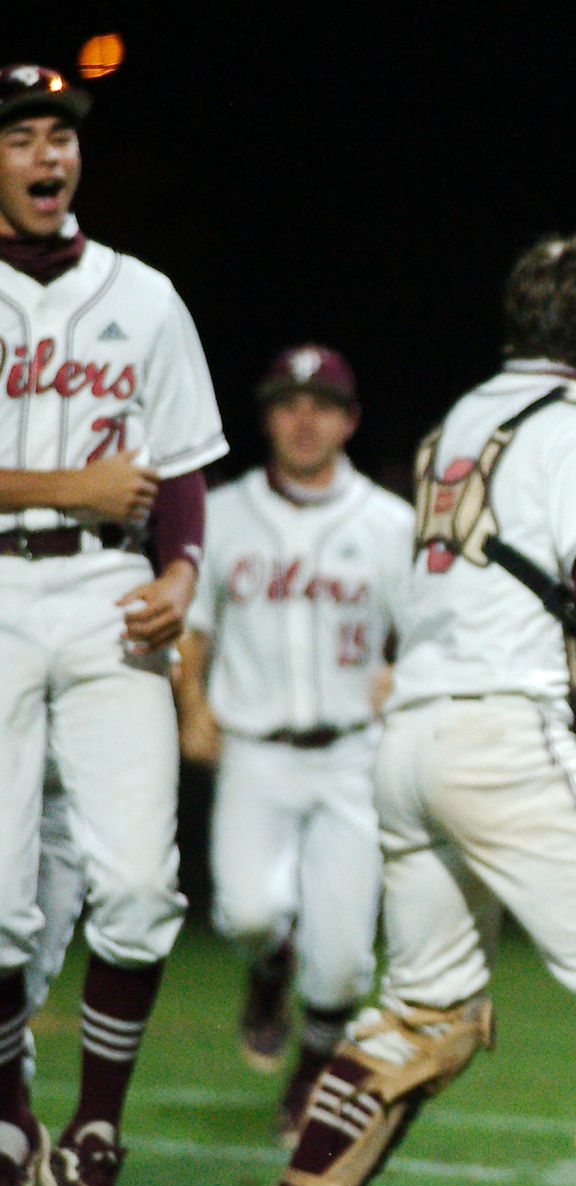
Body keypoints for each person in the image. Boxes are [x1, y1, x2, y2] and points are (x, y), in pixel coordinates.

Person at [223, 232, 576, 1186]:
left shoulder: (462, 416)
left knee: (425, 1011)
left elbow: (512, 579)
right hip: (500, 729)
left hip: (407, 738)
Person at [0, 63, 228, 1186]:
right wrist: (58, 487)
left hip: (108, 596)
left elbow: (183, 467)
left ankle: (90, 1134)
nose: (50, 152)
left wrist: (184, 578)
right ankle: (5, 1133)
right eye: (23, 134)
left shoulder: (139, 294)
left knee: (138, 891)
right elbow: (101, 476)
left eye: (59, 134)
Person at [172, 345, 412, 1138]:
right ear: (267, 414)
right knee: (245, 912)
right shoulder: (224, 509)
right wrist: (191, 706)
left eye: (321, 404)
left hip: (352, 751)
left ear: (349, 418)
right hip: (257, 748)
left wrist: (401, 674)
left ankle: (311, 1069)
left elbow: (428, 633)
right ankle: (269, 966)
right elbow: (194, 625)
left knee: (343, 957)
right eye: (287, 403)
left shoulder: (388, 521)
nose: (303, 420)